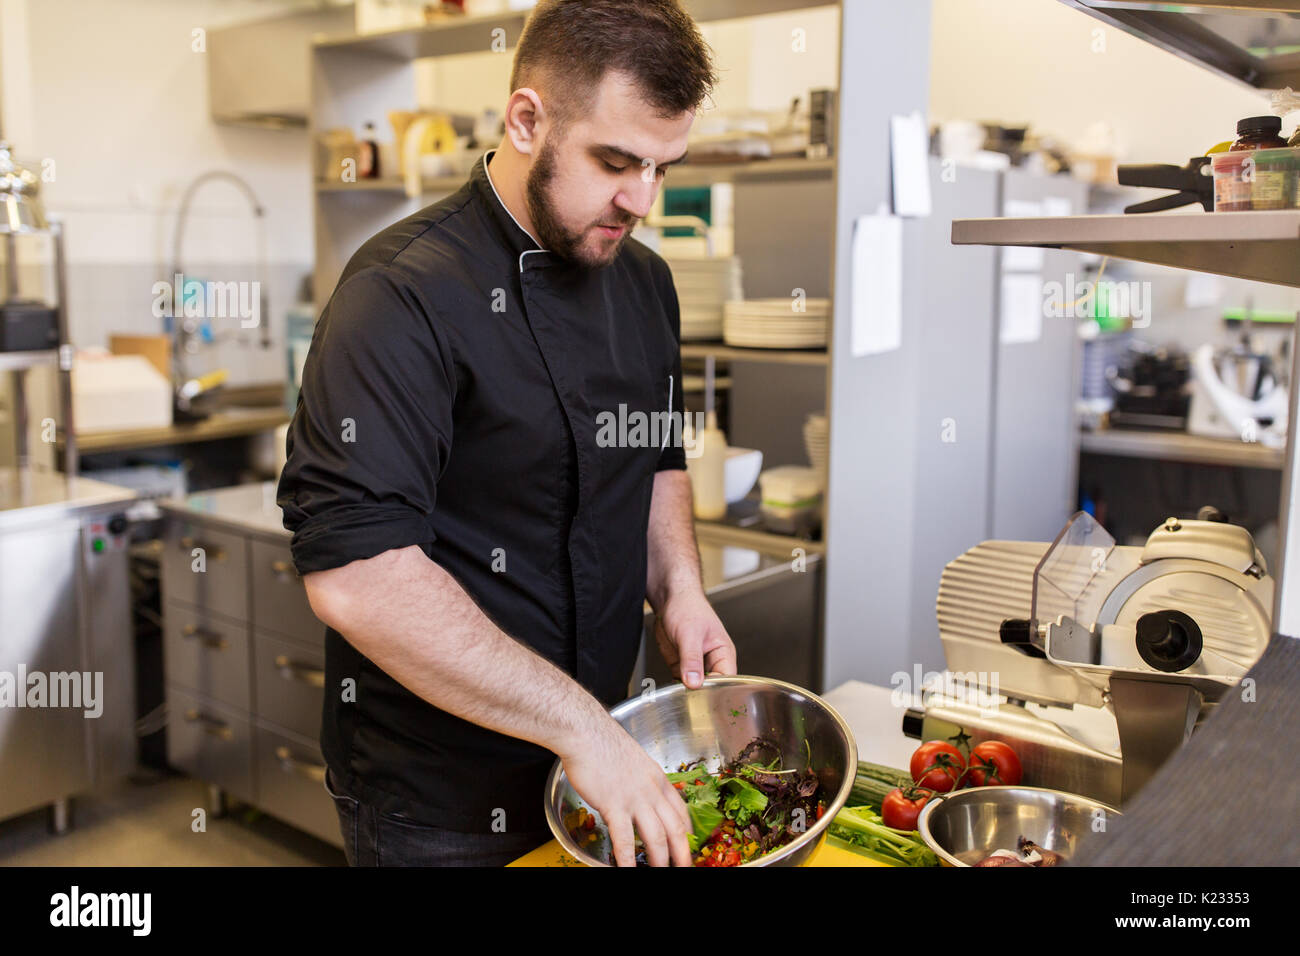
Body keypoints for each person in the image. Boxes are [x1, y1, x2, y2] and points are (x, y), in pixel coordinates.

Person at [277, 0, 736, 867]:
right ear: (527, 119)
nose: (642, 199)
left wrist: (678, 588)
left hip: (603, 761)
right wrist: (584, 731)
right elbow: (358, 580)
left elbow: (658, 457)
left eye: (663, 167)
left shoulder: (645, 282)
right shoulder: (400, 295)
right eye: (616, 161)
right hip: (439, 799)